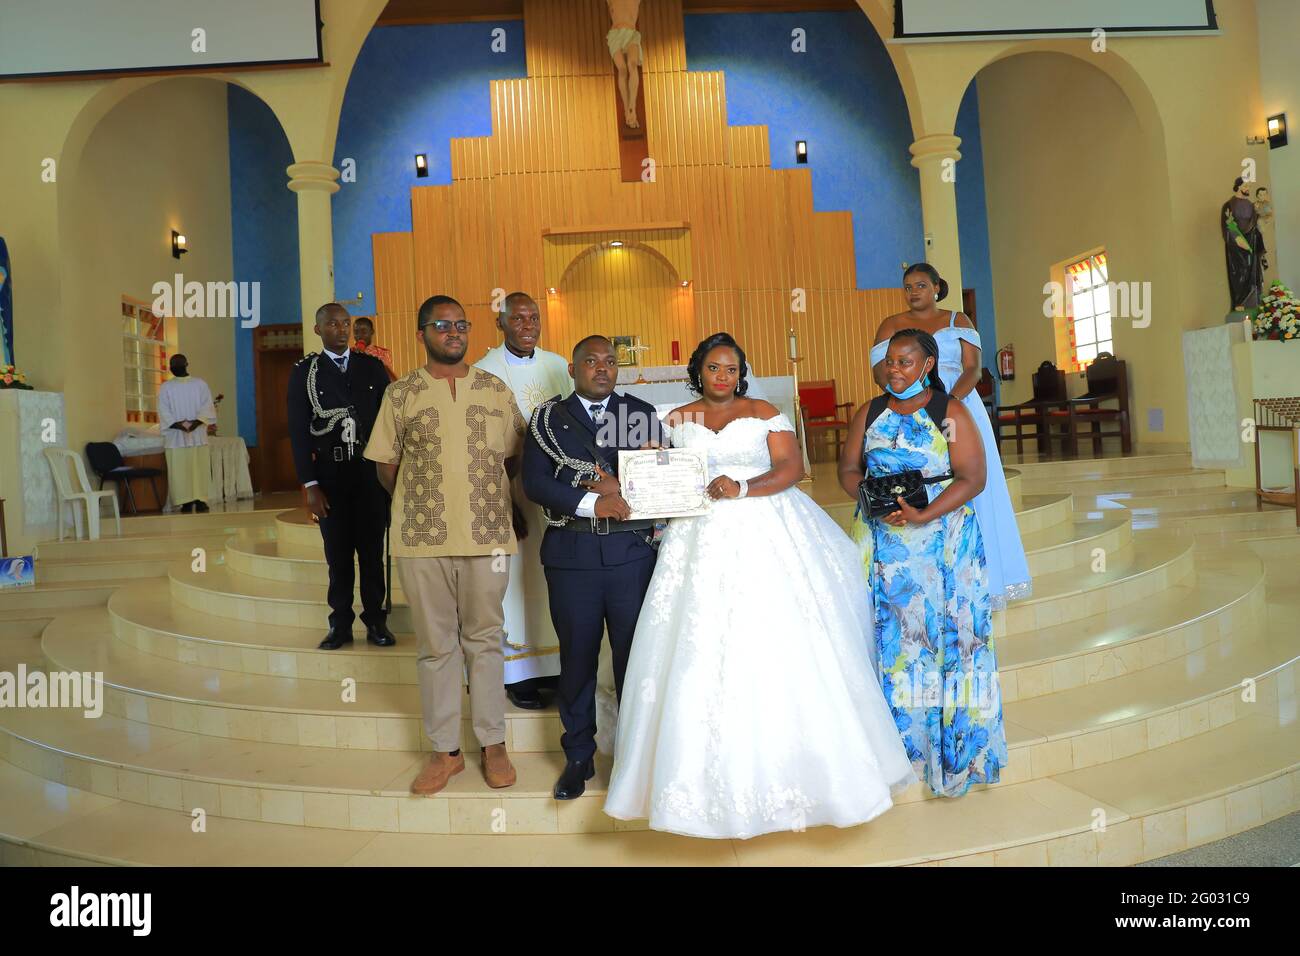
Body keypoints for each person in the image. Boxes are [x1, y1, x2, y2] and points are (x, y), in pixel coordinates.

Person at [603, 332, 915, 838]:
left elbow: (792, 468)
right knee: (697, 638)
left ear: (740, 374)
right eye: (713, 368)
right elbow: (657, 472)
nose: (722, 377)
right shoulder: (675, 419)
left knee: (778, 632)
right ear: (698, 371)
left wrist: (743, 486)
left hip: (765, 522)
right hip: (696, 535)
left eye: (731, 369)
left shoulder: (764, 411)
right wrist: (636, 475)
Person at [365, 295, 527, 796]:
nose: (454, 332)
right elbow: (386, 467)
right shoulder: (401, 394)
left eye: (461, 325)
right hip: (422, 537)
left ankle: (493, 744)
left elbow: (514, 457)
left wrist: (486, 495)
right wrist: (424, 500)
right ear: (422, 334)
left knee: (485, 640)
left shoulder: (494, 389)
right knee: (436, 646)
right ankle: (445, 752)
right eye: (442, 325)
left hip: (487, 535)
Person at [842, 328, 1008, 799]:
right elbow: (849, 469)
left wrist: (923, 513)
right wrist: (871, 501)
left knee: (946, 640)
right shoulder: (870, 413)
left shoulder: (948, 412)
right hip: (884, 543)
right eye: (889, 362)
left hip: (943, 539)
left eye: (905, 362)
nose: (894, 370)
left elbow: (973, 477)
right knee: (892, 643)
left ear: (927, 365)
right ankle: (895, 753)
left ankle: (953, 756)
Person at [522, 335, 665, 800]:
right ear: (572, 368)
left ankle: (633, 756)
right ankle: (579, 756)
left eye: (610, 361)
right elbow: (535, 483)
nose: (602, 368)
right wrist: (592, 503)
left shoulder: (639, 413)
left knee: (633, 660)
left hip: (631, 555)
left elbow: (665, 475)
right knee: (577, 660)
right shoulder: (548, 418)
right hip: (573, 557)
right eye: (591, 361)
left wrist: (622, 485)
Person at [871, 263, 1031, 608]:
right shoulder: (890, 324)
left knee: (969, 480)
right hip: (909, 405)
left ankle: (985, 579)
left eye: (921, 285)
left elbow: (972, 369)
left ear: (936, 287)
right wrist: (912, 402)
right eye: (908, 287)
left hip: (960, 403)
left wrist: (947, 403)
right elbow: (881, 372)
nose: (913, 292)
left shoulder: (959, 320)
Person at [474, 292, 572, 709]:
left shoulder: (559, 366)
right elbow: (479, 446)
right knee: (515, 580)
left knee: (556, 577)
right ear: (500, 323)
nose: (528, 325)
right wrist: (501, 501)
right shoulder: (483, 371)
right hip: (509, 489)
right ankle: (519, 673)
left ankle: (556, 665)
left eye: (534, 317)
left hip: (556, 489)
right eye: (518, 318)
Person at [287, 303, 395, 650]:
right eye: (333, 324)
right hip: (330, 477)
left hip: (370, 474)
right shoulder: (305, 372)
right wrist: (310, 485)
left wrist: (392, 476)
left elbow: (390, 422)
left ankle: (376, 621)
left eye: (345, 323)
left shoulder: (371, 367)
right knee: (338, 555)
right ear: (318, 330)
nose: (342, 329)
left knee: (372, 553)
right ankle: (340, 623)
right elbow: (298, 432)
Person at [157, 354, 217, 514]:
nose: (174, 367)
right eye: (172, 365)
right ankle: (185, 501)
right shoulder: (166, 387)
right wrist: (179, 425)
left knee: (199, 468)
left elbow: (207, 406)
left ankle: (201, 499)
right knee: (180, 470)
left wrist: (195, 423)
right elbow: (163, 409)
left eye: (177, 364)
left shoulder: (200, 384)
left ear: (186, 364)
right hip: (175, 436)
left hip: (197, 435)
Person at [606, 0, 642, 129]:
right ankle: (627, 109)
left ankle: (632, 106)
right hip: (615, 33)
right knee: (622, 69)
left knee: (632, 65)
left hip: (631, 32)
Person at [352, 316, 396, 380]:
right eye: (356, 332)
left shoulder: (383, 353)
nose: (359, 336)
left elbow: (387, 377)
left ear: (372, 332)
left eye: (364, 332)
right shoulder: (348, 353)